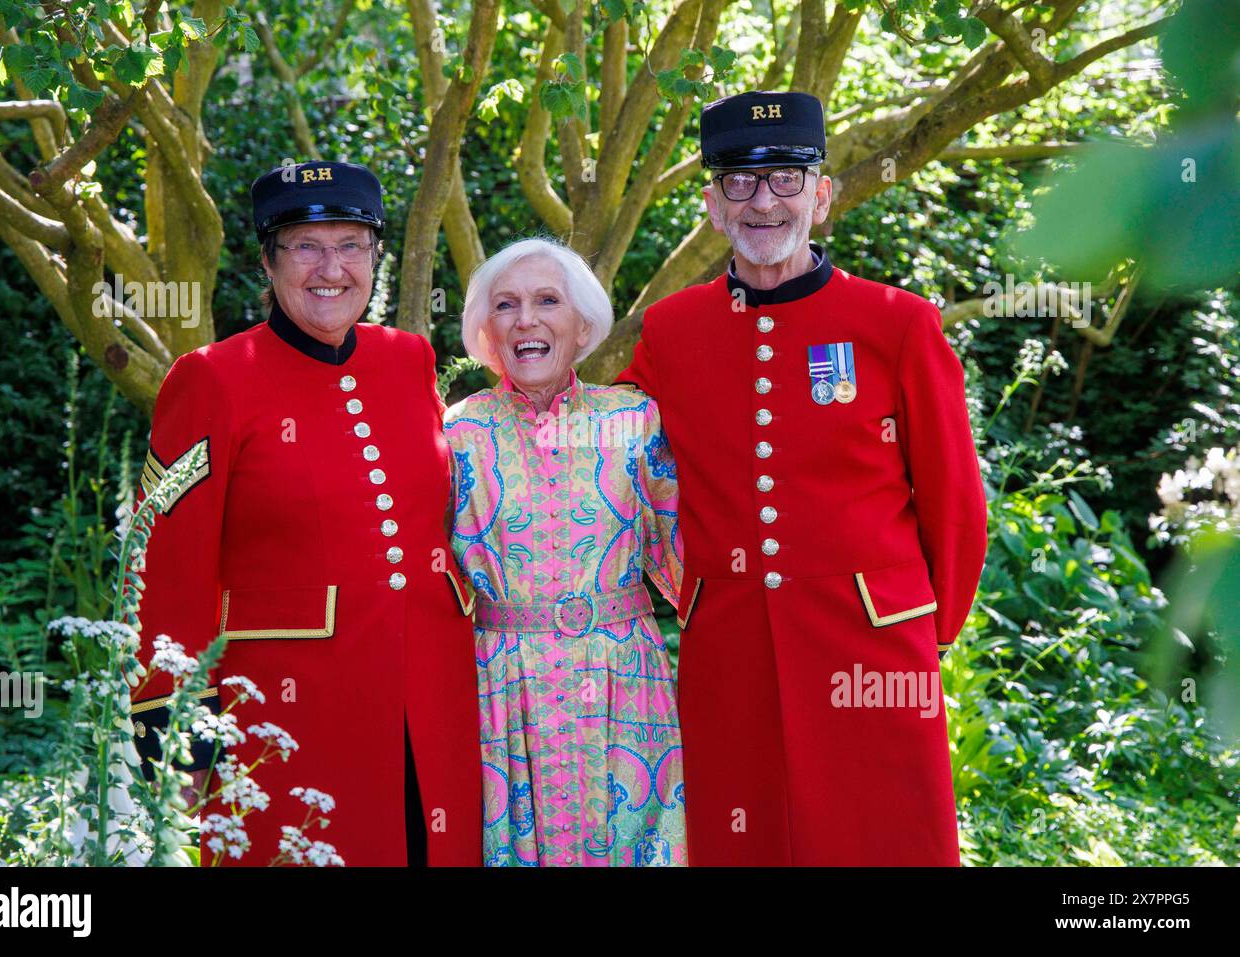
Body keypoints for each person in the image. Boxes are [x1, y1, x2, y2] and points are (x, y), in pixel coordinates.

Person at [615, 91, 988, 865]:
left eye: (786, 179)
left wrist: (924, 625)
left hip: (873, 648)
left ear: (821, 196)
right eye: (740, 183)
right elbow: (606, 452)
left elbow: (953, 500)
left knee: (886, 836)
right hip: (732, 651)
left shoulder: (898, 322)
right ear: (713, 204)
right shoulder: (672, 330)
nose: (763, 202)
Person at [131, 160, 481, 866]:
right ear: (267, 260)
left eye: (351, 244)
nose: (332, 267)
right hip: (286, 715)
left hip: (434, 699)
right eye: (306, 245)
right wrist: (175, 727)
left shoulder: (408, 358)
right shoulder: (212, 377)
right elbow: (166, 562)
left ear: (376, 256)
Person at [445, 237, 687, 866]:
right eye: (506, 305)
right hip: (502, 693)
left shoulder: (636, 420)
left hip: (625, 688)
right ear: (485, 330)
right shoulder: (451, 433)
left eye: (547, 301)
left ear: (583, 327)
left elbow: (691, 557)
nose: (526, 319)